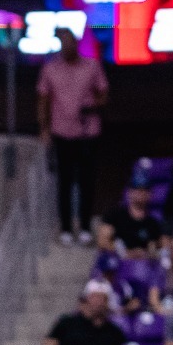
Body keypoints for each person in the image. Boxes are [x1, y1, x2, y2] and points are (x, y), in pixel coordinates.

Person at [36, 30, 108, 245]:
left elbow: (103, 92)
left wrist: (93, 104)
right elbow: (43, 99)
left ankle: (85, 226)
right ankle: (66, 227)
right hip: (62, 131)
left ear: (76, 44)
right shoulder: (50, 69)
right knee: (64, 181)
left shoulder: (92, 66)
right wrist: (44, 128)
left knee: (87, 181)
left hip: (87, 131)